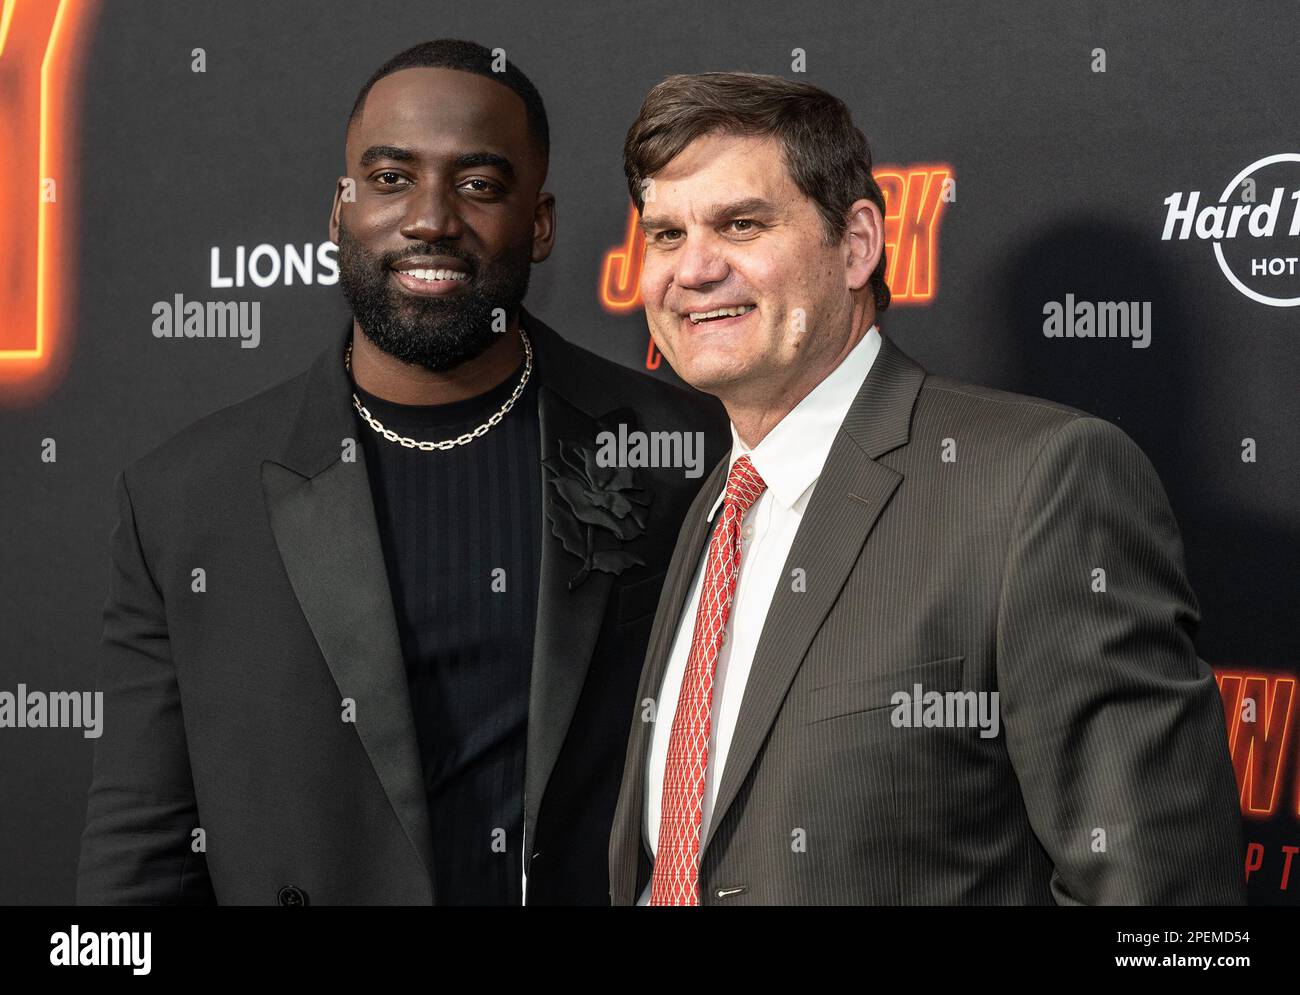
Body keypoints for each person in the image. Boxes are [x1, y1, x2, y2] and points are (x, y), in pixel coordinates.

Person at [76, 40, 727, 906]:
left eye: (478, 184)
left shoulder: (683, 450)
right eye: (389, 178)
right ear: (338, 211)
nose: (429, 219)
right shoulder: (187, 497)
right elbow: (140, 851)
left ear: (540, 224)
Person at [607, 71, 1245, 905]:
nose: (691, 269)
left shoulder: (1038, 482)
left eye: (741, 223)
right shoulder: (713, 508)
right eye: (663, 234)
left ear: (859, 243)